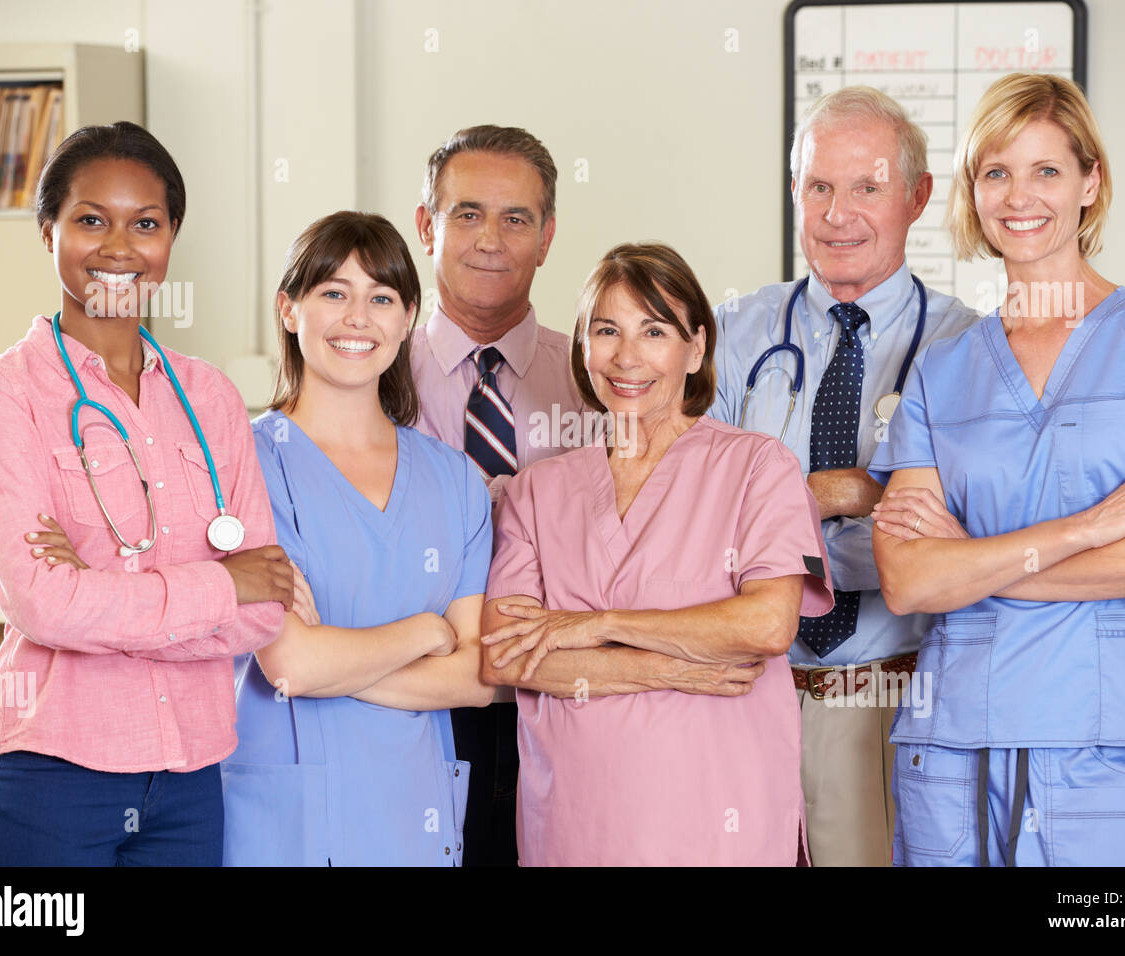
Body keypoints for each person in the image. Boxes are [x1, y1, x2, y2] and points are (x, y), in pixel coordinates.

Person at [869, 72, 1125, 866]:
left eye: (1047, 171)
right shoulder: (942, 369)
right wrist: (1094, 526)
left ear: (1090, 183)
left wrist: (970, 564)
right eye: (996, 172)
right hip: (956, 740)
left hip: (1110, 750)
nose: (1018, 196)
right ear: (973, 190)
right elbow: (907, 582)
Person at [0, 122, 291, 866]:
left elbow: (265, 608)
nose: (118, 246)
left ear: (172, 236)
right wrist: (217, 586)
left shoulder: (212, 398)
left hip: (192, 778)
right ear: (48, 230)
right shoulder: (3, 394)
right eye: (90, 220)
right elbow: (42, 604)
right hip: (51, 773)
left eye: (145, 223)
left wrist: (102, 595)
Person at [481, 242, 834, 865]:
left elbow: (765, 624)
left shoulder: (757, 467)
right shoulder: (538, 490)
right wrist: (666, 667)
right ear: (583, 348)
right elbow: (509, 658)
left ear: (696, 348)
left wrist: (595, 627)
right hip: (575, 821)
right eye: (606, 330)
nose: (627, 356)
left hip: (718, 816)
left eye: (654, 330)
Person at [708, 87, 977, 866]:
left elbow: (954, 536)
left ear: (918, 197)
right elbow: (701, 520)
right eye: (818, 186)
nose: (837, 212)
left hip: (889, 698)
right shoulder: (730, 333)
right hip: (745, 693)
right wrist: (873, 496)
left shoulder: (966, 348)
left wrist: (807, 504)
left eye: (867, 187)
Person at [222, 211, 494, 866]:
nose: (357, 318)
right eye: (333, 293)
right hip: (288, 830)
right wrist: (427, 631)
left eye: (381, 298)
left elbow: (482, 677)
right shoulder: (243, 465)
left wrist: (328, 663)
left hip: (414, 820)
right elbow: (289, 665)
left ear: (406, 320)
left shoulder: (455, 482)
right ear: (290, 309)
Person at [411, 125, 584, 866]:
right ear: (426, 226)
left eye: (516, 219)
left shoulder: (601, 376)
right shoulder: (366, 373)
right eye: (467, 213)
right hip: (418, 702)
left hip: (565, 703)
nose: (491, 239)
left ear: (546, 238)